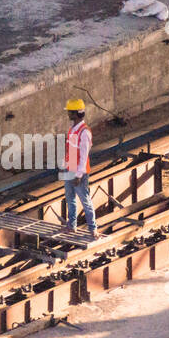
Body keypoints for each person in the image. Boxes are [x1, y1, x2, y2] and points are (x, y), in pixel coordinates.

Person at [61, 98, 97, 235]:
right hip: (69, 170)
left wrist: (79, 175)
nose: (68, 114)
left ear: (75, 113)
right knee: (70, 199)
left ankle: (93, 229)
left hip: (78, 173)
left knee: (85, 201)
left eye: (69, 112)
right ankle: (72, 226)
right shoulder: (73, 130)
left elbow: (83, 155)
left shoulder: (84, 132)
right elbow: (71, 150)